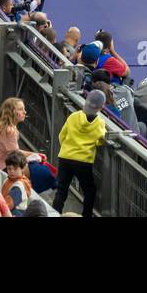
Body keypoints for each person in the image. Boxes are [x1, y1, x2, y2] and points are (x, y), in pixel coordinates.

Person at [52, 88, 107, 217]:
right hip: (83, 161)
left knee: (61, 189)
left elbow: (62, 136)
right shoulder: (100, 123)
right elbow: (100, 141)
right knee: (89, 190)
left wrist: (67, 149)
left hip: (65, 157)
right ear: (101, 107)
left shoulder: (74, 116)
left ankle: (55, 213)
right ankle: (86, 214)